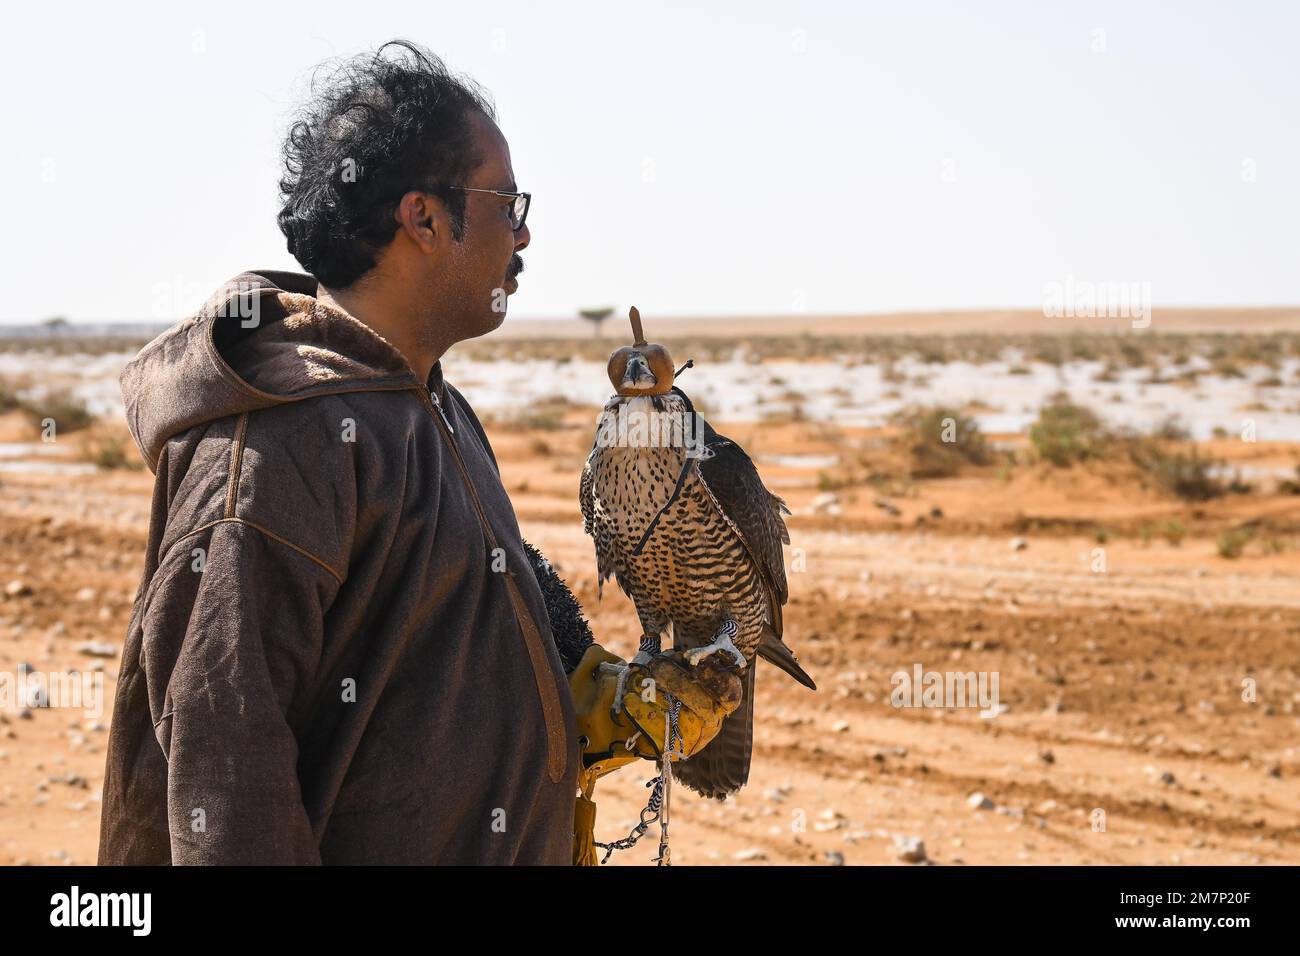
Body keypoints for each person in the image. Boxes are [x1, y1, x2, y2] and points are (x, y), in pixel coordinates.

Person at [96, 40, 737, 866]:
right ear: (424, 218)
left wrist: (594, 700)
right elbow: (226, 773)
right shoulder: (277, 446)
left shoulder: (427, 406)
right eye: (507, 201)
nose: (525, 230)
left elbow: (433, 663)